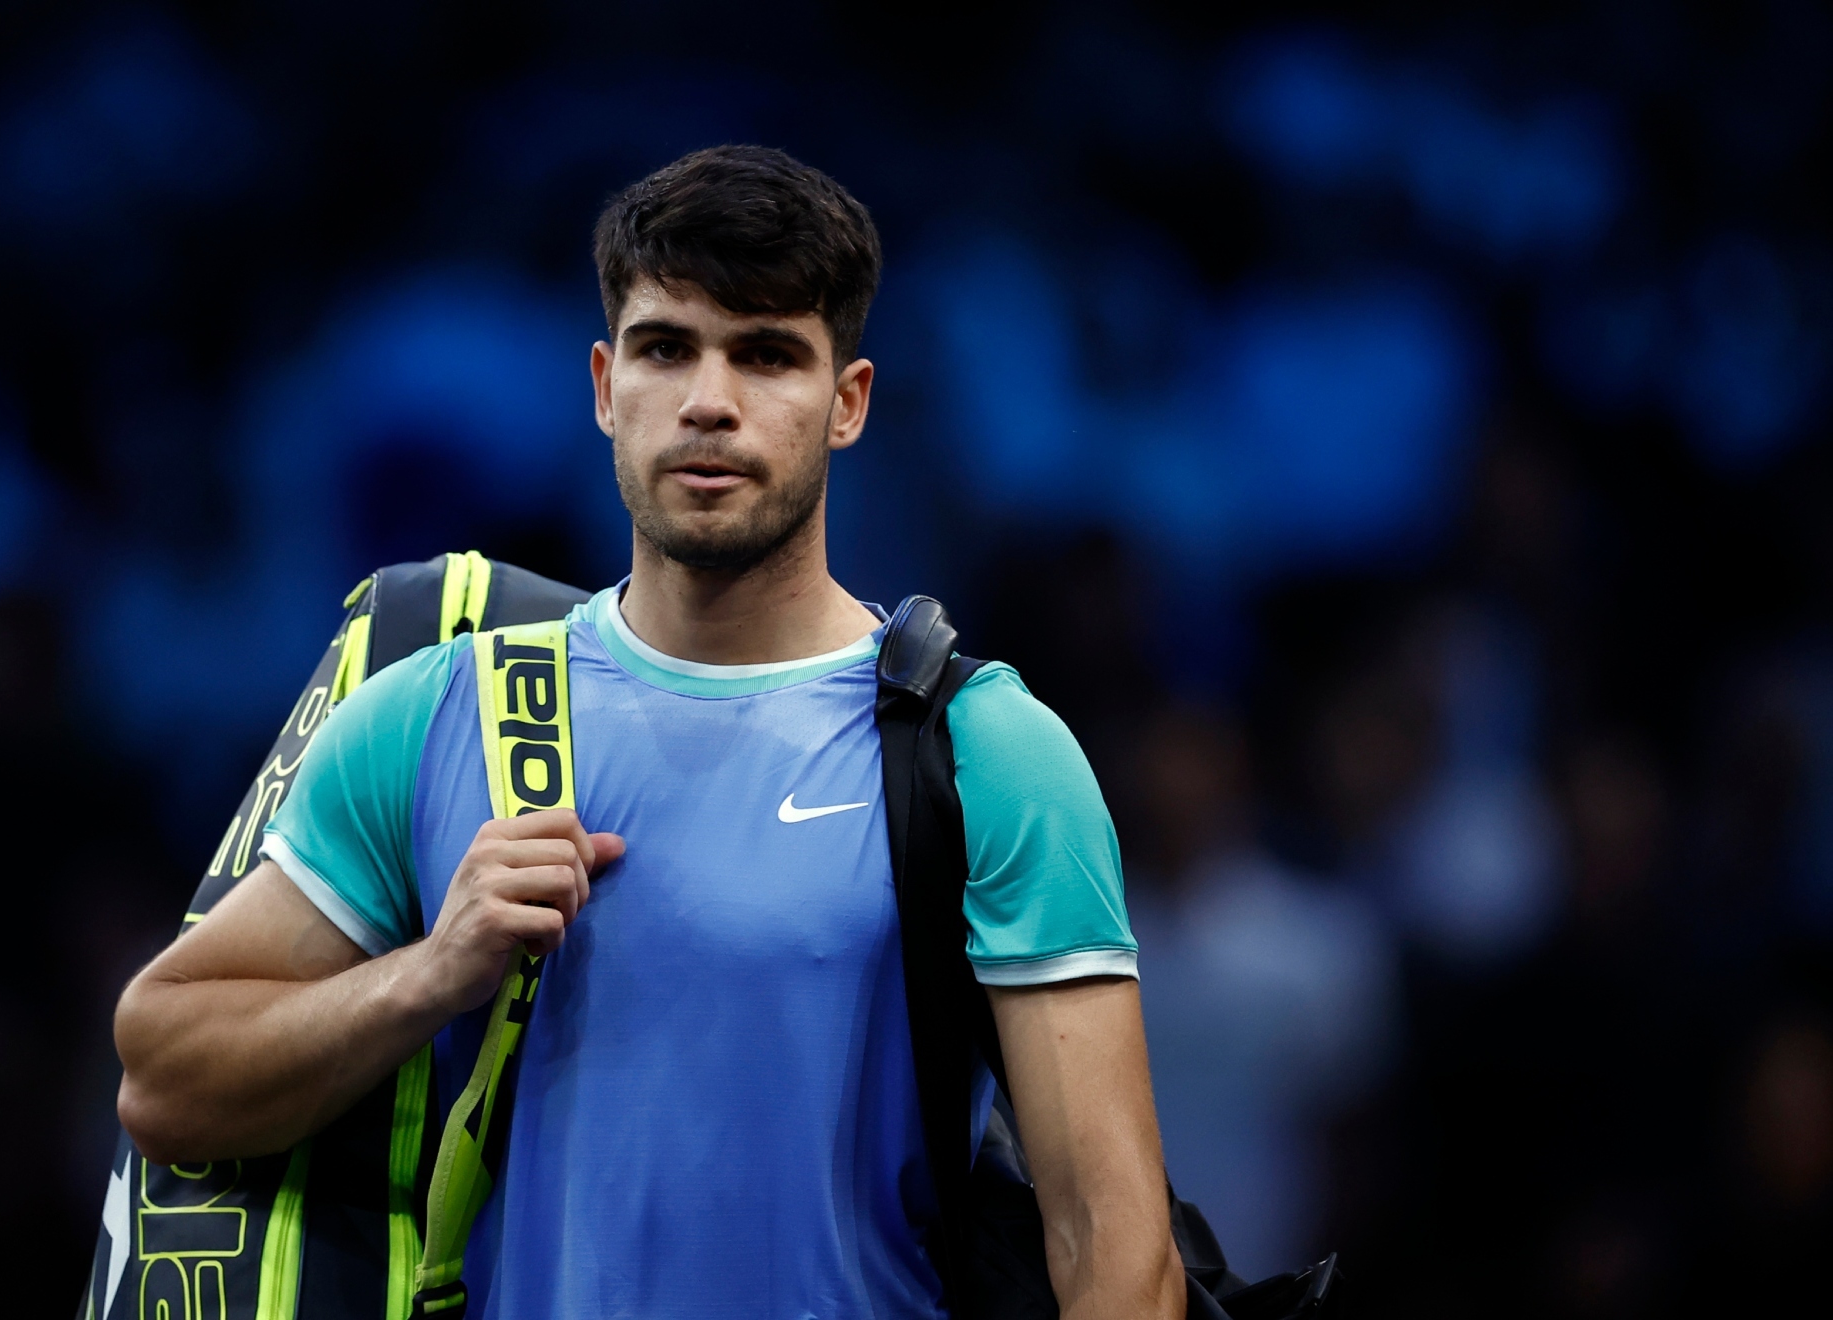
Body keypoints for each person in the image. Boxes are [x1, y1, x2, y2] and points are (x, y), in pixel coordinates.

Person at [114, 145, 1183, 1319]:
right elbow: (165, 1077)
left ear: (849, 403)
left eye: (768, 354)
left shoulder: (988, 753)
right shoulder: (432, 713)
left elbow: (1115, 1251)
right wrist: (427, 977)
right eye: (666, 347)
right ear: (603, 386)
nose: (710, 400)